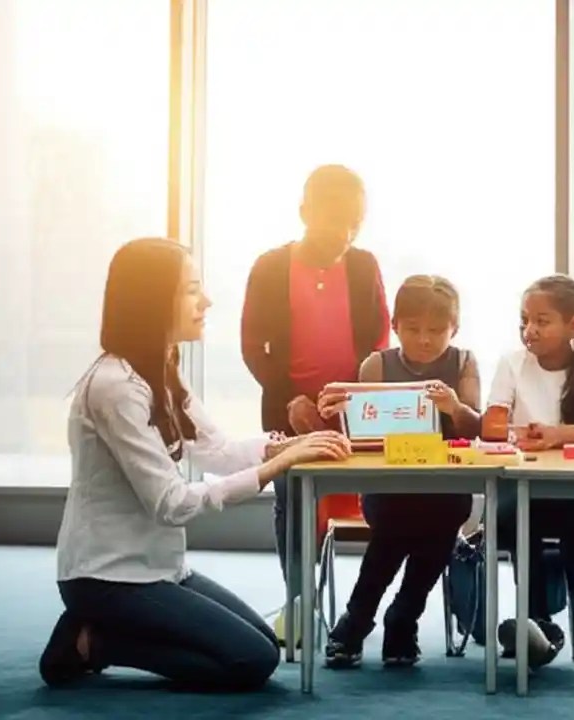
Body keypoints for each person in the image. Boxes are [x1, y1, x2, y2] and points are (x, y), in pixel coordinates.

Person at [39, 238, 349, 691]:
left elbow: (217, 451)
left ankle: (104, 632)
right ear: (152, 300)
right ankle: (93, 642)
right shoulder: (115, 387)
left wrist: (290, 444)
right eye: (190, 290)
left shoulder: (159, 369)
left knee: (262, 641)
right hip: (107, 576)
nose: (206, 301)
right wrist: (274, 468)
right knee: (253, 660)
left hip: (159, 567)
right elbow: (171, 503)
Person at [240, 164, 390, 642]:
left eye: (356, 222)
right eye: (335, 221)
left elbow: (379, 341)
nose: (346, 233)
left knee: (381, 503)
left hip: (355, 412)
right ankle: (301, 603)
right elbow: (252, 344)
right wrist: (292, 400)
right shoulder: (270, 266)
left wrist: (349, 398)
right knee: (293, 502)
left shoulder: (364, 265)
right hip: (289, 414)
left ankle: (360, 610)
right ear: (304, 212)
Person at [317, 275, 482, 669]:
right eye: (413, 329)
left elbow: (475, 428)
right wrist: (340, 411)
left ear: (453, 328)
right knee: (396, 534)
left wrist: (454, 407)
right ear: (395, 327)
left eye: (436, 330)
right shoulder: (378, 364)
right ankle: (384, 624)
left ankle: (374, 623)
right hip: (389, 488)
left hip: (445, 489)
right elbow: (360, 431)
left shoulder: (462, 362)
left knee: (437, 530)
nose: (424, 339)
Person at [487, 274, 574, 667]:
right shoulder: (512, 363)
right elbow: (491, 426)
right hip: (521, 483)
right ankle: (539, 622)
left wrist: (554, 436)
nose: (529, 330)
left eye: (541, 321)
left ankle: (545, 608)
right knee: (518, 515)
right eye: (524, 320)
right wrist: (522, 433)